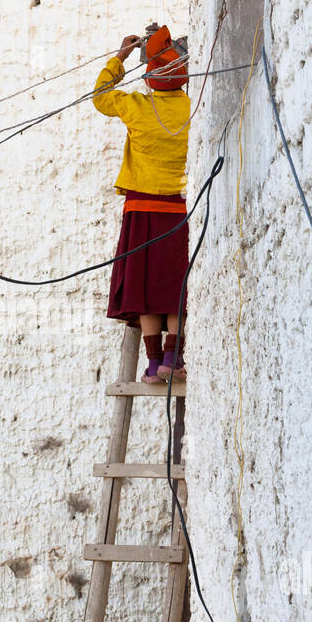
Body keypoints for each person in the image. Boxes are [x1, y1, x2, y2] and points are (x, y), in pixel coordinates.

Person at [92, 24, 190, 383]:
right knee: (174, 286)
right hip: (179, 211)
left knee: (146, 290)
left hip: (140, 212)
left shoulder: (135, 106)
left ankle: (151, 366)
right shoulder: (194, 110)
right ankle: (172, 359)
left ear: (149, 79)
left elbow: (101, 96)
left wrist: (120, 57)